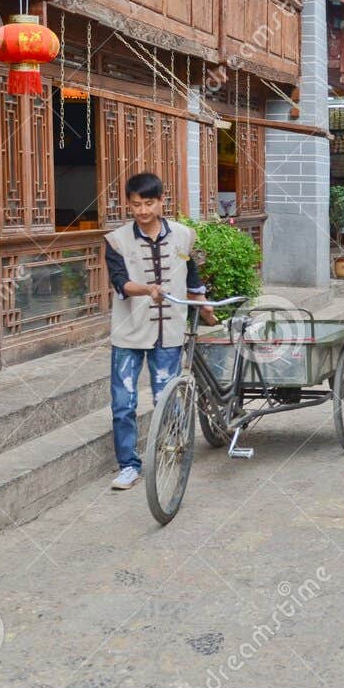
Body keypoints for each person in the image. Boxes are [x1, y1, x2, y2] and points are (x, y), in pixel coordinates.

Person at [102, 171, 210, 490]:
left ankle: (169, 452)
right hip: (129, 334)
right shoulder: (116, 241)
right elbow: (120, 282)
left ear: (162, 201)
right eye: (136, 204)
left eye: (149, 203)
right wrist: (148, 289)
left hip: (169, 331)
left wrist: (204, 305)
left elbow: (191, 276)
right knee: (123, 403)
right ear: (129, 204)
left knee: (167, 397)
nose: (143, 211)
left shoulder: (183, 236)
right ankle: (128, 466)